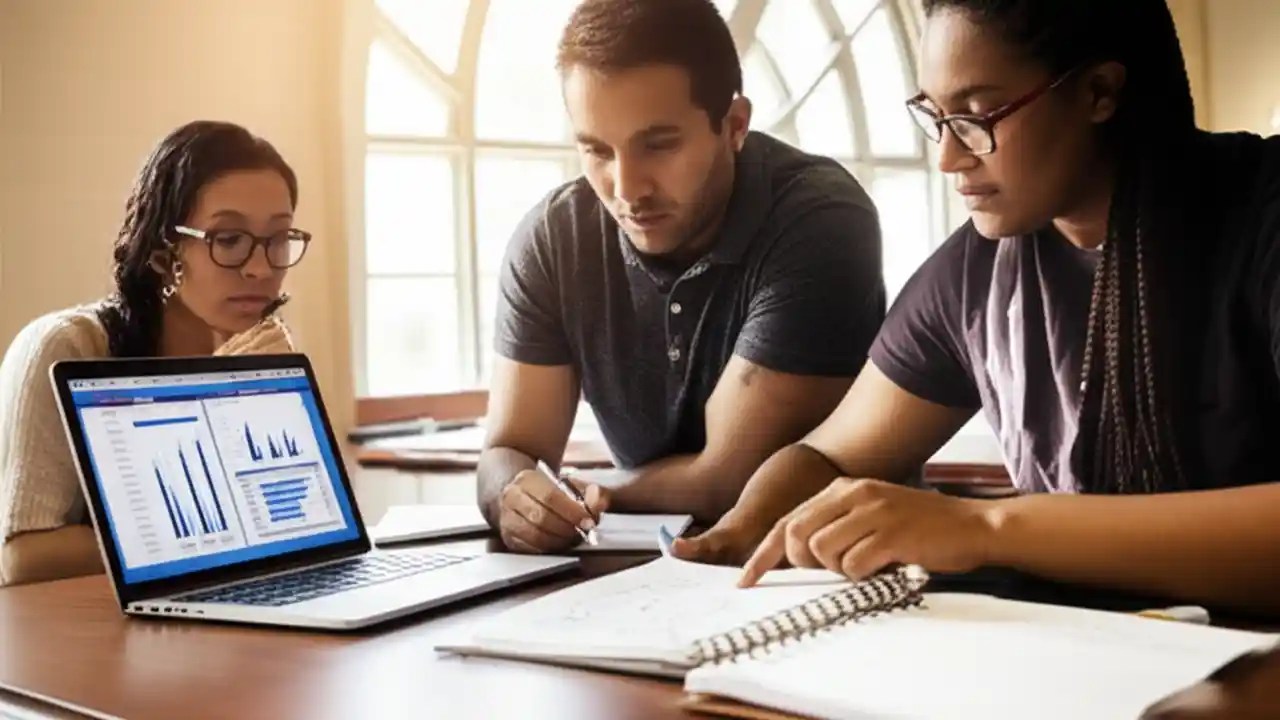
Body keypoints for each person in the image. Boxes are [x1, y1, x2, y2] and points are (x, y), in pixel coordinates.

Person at [673, 0, 1280, 617]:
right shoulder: (974, 274)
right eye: (935, 116)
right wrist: (738, 532)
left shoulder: (1262, 216)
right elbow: (828, 456)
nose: (947, 156)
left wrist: (985, 527)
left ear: (1100, 91)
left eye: (975, 115)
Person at [478, 0, 885, 553]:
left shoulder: (821, 220)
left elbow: (730, 479)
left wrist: (596, 489)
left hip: (817, 566)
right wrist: (515, 497)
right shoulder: (553, 239)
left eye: (659, 145)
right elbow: (507, 453)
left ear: (735, 125)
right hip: (640, 574)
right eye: (596, 150)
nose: (627, 188)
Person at [0, 121, 307, 586]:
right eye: (228, 240)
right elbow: (23, 558)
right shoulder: (69, 346)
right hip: (78, 635)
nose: (261, 269)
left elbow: (290, 522)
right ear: (165, 251)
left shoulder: (258, 349)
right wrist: (220, 525)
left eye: (279, 238)